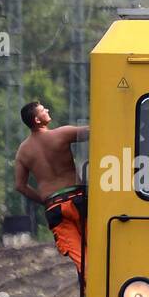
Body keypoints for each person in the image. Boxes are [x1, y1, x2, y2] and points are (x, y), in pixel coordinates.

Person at [14, 101, 88, 275]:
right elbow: (96, 130)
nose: (47, 110)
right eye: (42, 110)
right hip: (78, 201)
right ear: (37, 120)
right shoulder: (62, 134)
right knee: (99, 252)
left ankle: (89, 294)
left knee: (82, 262)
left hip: (54, 208)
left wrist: (44, 200)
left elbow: (20, 186)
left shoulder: (22, 152)